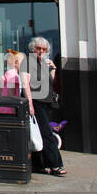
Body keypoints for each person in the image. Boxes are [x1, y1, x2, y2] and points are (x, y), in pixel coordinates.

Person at [25, 37, 65, 175]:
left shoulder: (43, 63)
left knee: (39, 134)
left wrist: (52, 70)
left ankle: (38, 165)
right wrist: (30, 104)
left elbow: (49, 82)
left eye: (44, 49)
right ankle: (56, 164)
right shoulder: (28, 62)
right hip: (36, 102)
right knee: (47, 134)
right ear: (32, 49)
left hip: (46, 102)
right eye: (38, 48)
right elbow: (26, 84)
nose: (41, 51)